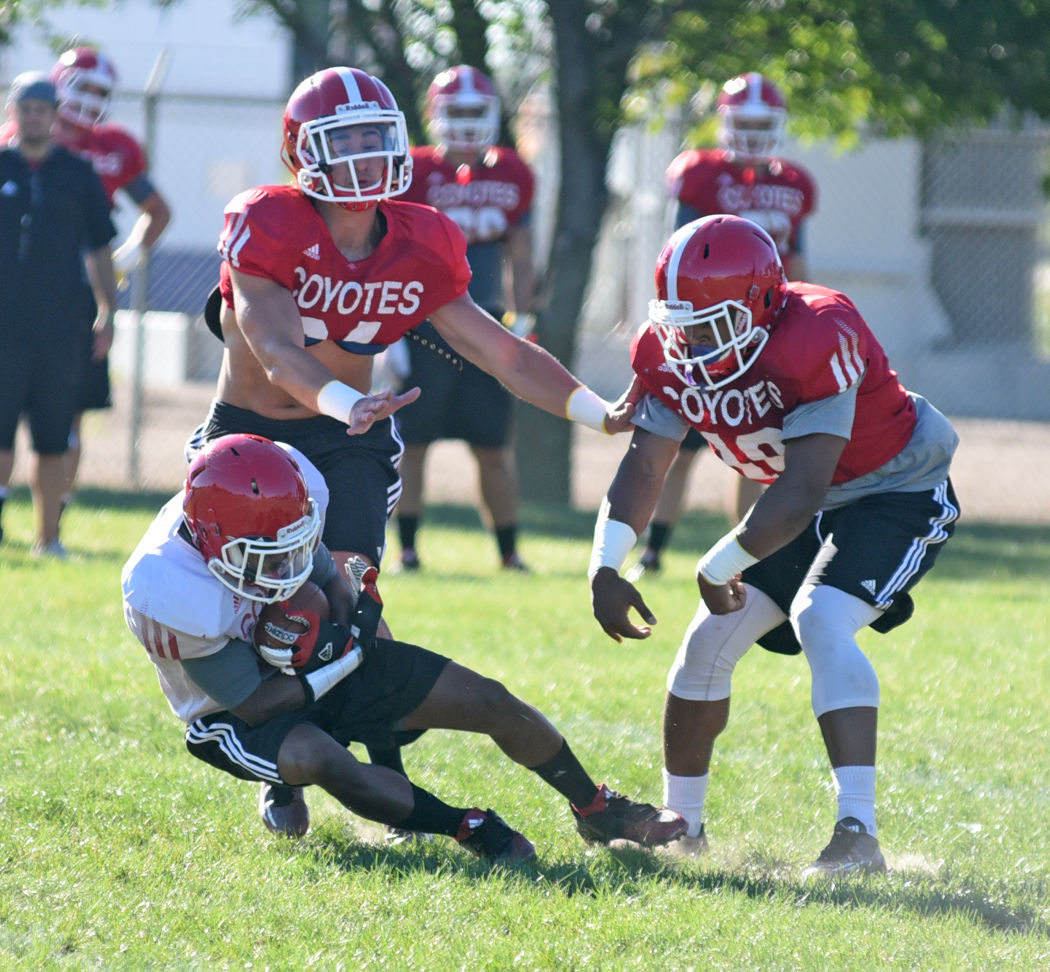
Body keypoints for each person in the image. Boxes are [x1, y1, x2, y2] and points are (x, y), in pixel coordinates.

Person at [190, 65, 634, 835]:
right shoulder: (268, 220)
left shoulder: (421, 237)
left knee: (349, 602)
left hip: (347, 441)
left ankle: (388, 781)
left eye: (376, 138)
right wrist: (346, 400)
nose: (365, 156)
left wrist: (599, 412)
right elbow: (274, 351)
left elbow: (504, 353)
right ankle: (285, 769)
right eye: (345, 141)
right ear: (302, 153)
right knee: (260, 605)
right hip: (250, 437)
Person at [588, 214, 960, 875]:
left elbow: (804, 487)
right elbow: (645, 467)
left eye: (712, 324)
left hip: (894, 488)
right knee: (706, 643)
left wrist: (718, 564)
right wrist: (604, 567)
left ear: (762, 304)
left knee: (822, 617)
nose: (692, 342)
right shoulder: (667, 354)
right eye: (682, 324)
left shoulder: (816, 331)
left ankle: (858, 836)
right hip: (803, 502)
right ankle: (683, 829)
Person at [122, 433, 687, 859]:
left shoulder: (290, 493)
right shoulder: (166, 585)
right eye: (265, 555)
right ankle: (463, 825)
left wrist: (351, 613)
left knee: (487, 699)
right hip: (236, 714)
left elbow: (327, 579)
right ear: (213, 542)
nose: (284, 566)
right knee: (320, 758)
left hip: (319, 661)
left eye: (289, 545)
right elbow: (251, 701)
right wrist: (344, 655)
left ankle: (595, 807)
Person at [628, 73, 817, 580]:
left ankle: (751, 554)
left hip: (765, 329)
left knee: (761, 449)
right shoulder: (701, 174)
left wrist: (803, 314)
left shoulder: (793, 184)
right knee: (682, 446)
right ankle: (653, 550)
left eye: (761, 123)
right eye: (744, 122)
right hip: (707, 331)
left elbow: (797, 258)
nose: (752, 133)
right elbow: (675, 258)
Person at [392, 65, 538, 572]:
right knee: (412, 441)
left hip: (488, 323)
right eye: (457, 110)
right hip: (423, 324)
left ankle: (509, 553)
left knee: (493, 445)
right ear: (434, 114)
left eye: (476, 110)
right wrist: (390, 329)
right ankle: (407, 550)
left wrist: (525, 318)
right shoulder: (410, 170)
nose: (467, 121)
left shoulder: (513, 173)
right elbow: (390, 251)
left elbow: (521, 252)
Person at [48, 47, 172, 526]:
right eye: (85, 87)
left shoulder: (113, 147)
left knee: (70, 411)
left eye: (101, 91)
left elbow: (157, 211)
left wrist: (126, 259)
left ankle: (54, 515)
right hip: (19, 290)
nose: (91, 99)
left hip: (80, 294)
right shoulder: (19, 139)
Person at [0, 72, 117, 556]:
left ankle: (49, 539)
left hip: (60, 329)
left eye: (41, 110)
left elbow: (100, 247)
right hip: (4, 328)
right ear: (13, 113)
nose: (33, 117)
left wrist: (108, 311)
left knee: (53, 438)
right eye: (25, 109)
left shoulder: (78, 174)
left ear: (55, 117)